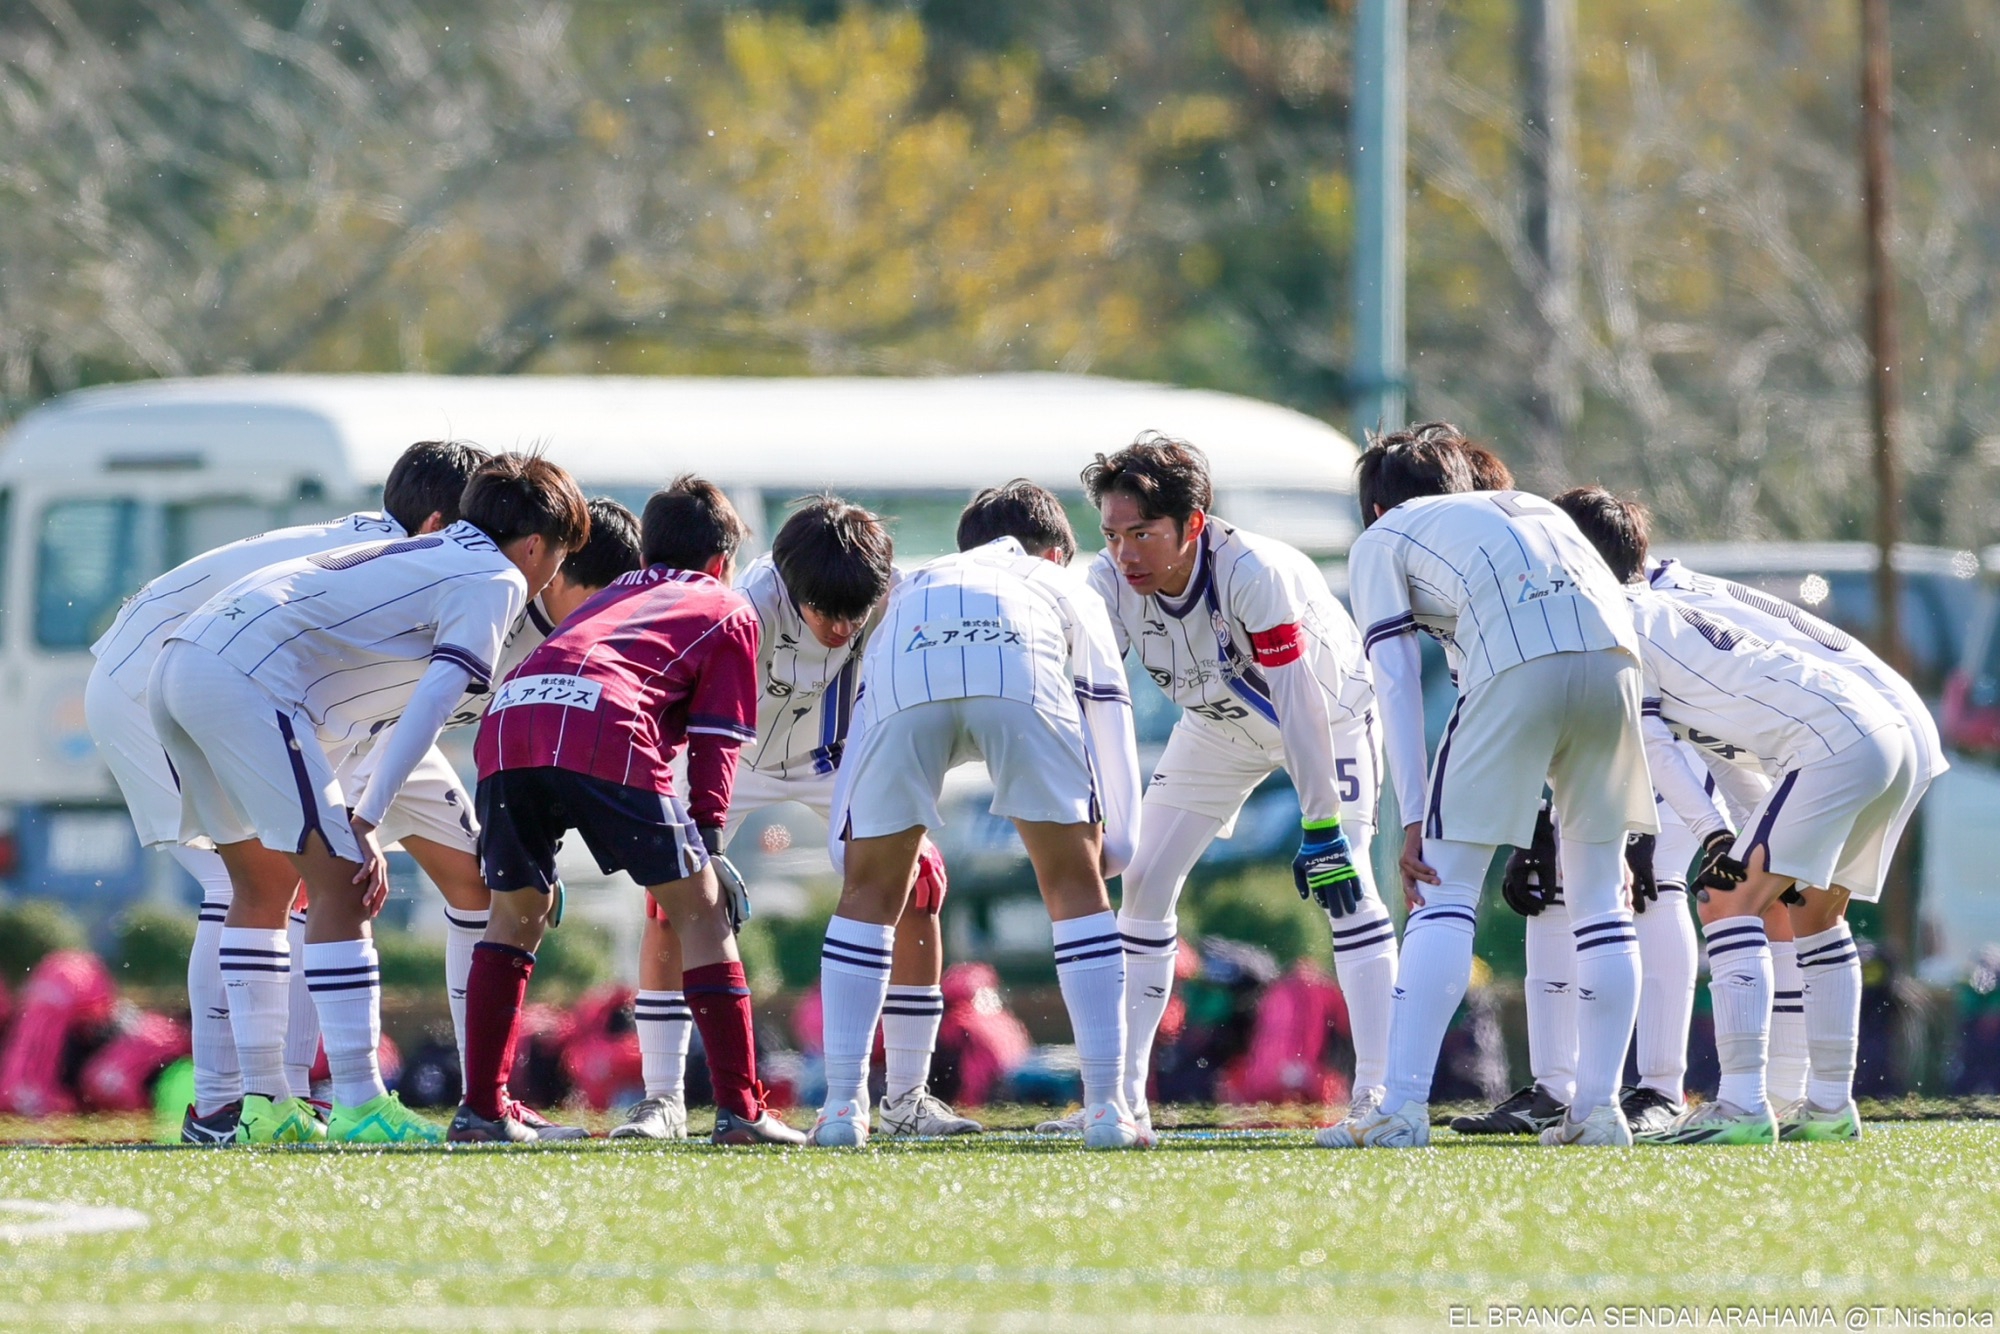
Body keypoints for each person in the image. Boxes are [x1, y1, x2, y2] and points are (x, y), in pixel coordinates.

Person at [149, 452, 587, 1145]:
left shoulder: (433, 551)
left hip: (181, 665)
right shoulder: (498, 576)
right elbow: (431, 705)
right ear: (537, 545)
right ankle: (359, 1102)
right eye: (558, 557)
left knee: (264, 887)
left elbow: (357, 697)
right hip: (241, 678)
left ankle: (266, 1105)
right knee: (344, 885)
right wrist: (368, 817)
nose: (550, 576)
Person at [1046, 433, 1390, 1145]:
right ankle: (1118, 1100)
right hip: (1217, 724)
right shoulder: (1105, 585)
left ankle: (1382, 1099)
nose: (1126, 552)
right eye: (1113, 534)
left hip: (1329, 717)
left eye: (1143, 532)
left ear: (1193, 524)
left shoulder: (1251, 572)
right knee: (1141, 880)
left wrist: (1321, 827)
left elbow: (1296, 702)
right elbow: (1084, 699)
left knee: (1347, 881)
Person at [1324, 424, 1658, 1149]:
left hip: (1516, 664)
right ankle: (1598, 1112)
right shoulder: (1529, 507)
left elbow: (1397, 677)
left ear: (1377, 508)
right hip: (1619, 665)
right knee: (1601, 899)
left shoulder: (1385, 537)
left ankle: (1399, 1108)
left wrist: (1413, 817)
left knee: (1443, 895)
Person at [1558, 486, 1925, 1142]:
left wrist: (1714, 838)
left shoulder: (1613, 622)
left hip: (1832, 744)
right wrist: (1732, 833)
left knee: (1724, 902)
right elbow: (1719, 742)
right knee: (1814, 911)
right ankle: (1829, 1106)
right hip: (1884, 735)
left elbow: (1658, 747)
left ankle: (1744, 1105)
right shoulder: (1668, 602)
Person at [613, 495, 979, 1141]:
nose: (840, 629)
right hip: (734, 752)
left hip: (834, 759)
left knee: (918, 886)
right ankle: (662, 1100)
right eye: (823, 612)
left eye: (853, 615)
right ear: (786, 580)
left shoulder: (896, 596)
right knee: (671, 899)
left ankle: (907, 1100)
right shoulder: (743, 605)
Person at [456, 475, 803, 1145]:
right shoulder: (727, 606)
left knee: (514, 913)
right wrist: (709, 842)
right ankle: (741, 1110)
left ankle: (482, 1111)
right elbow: (715, 743)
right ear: (721, 560)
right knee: (700, 908)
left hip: (509, 716)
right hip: (600, 721)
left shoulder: (615, 590)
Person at [809, 481, 1144, 1148]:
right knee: (1073, 891)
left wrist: (849, 854)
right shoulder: (1061, 582)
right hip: (1016, 672)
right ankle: (1107, 1106)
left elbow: (865, 702)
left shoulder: (914, 581)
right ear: (1054, 552)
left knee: (870, 898)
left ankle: (843, 1107)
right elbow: (1107, 705)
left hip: (909, 676)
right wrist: (1116, 845)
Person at [327, 495, 641, 1111]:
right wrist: (363, 818)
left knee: (482, 889)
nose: (608, 614)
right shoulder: (501, 597)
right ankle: (281, 1094)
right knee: (310, 888)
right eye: (600, 594)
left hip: (406, 746)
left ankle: (484, 1096)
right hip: (355, 733)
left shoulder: (577, 635)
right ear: (557, 566)